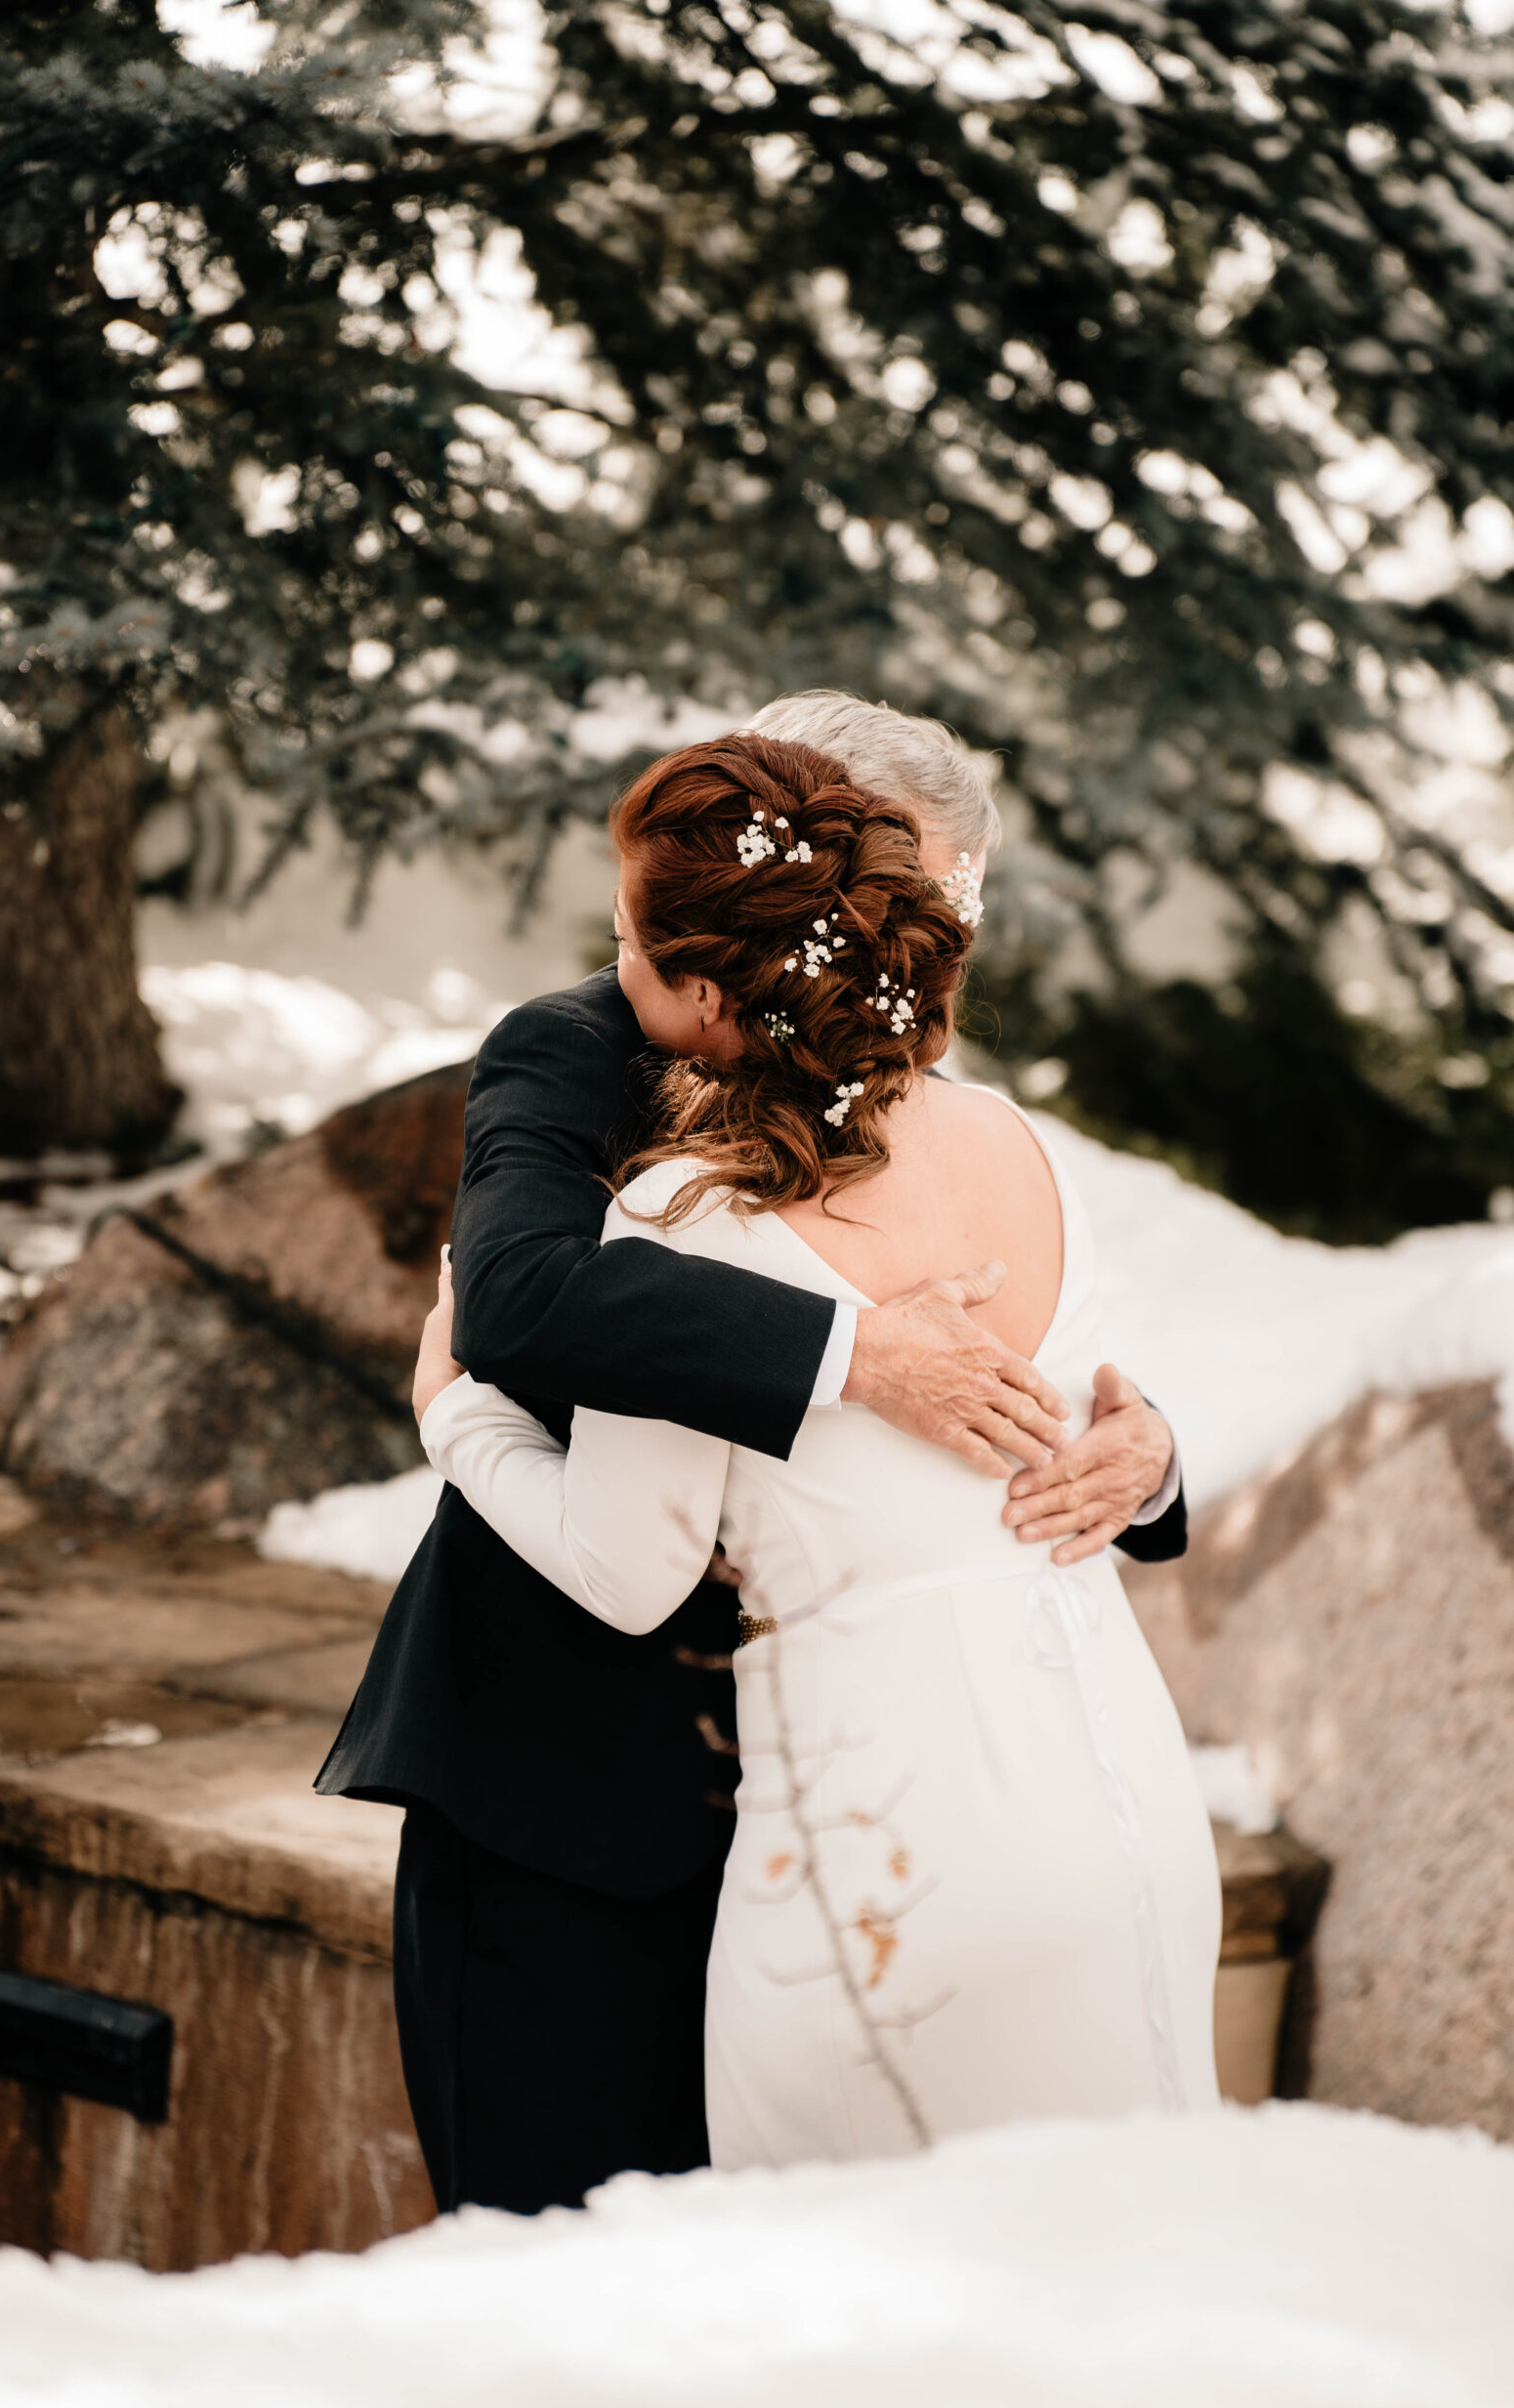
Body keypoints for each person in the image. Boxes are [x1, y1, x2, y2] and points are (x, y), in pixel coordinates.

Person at [315, 704, 1191, 2210]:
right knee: (566, 2280)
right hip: (579, 1806)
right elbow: (517, 1295)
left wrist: (1150, 1454)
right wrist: (852, 1350)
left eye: (914, 909)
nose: (888, 945)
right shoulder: (586, 1044)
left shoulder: (976, 1128)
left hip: (888, 1808)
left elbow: (1045, 1360)